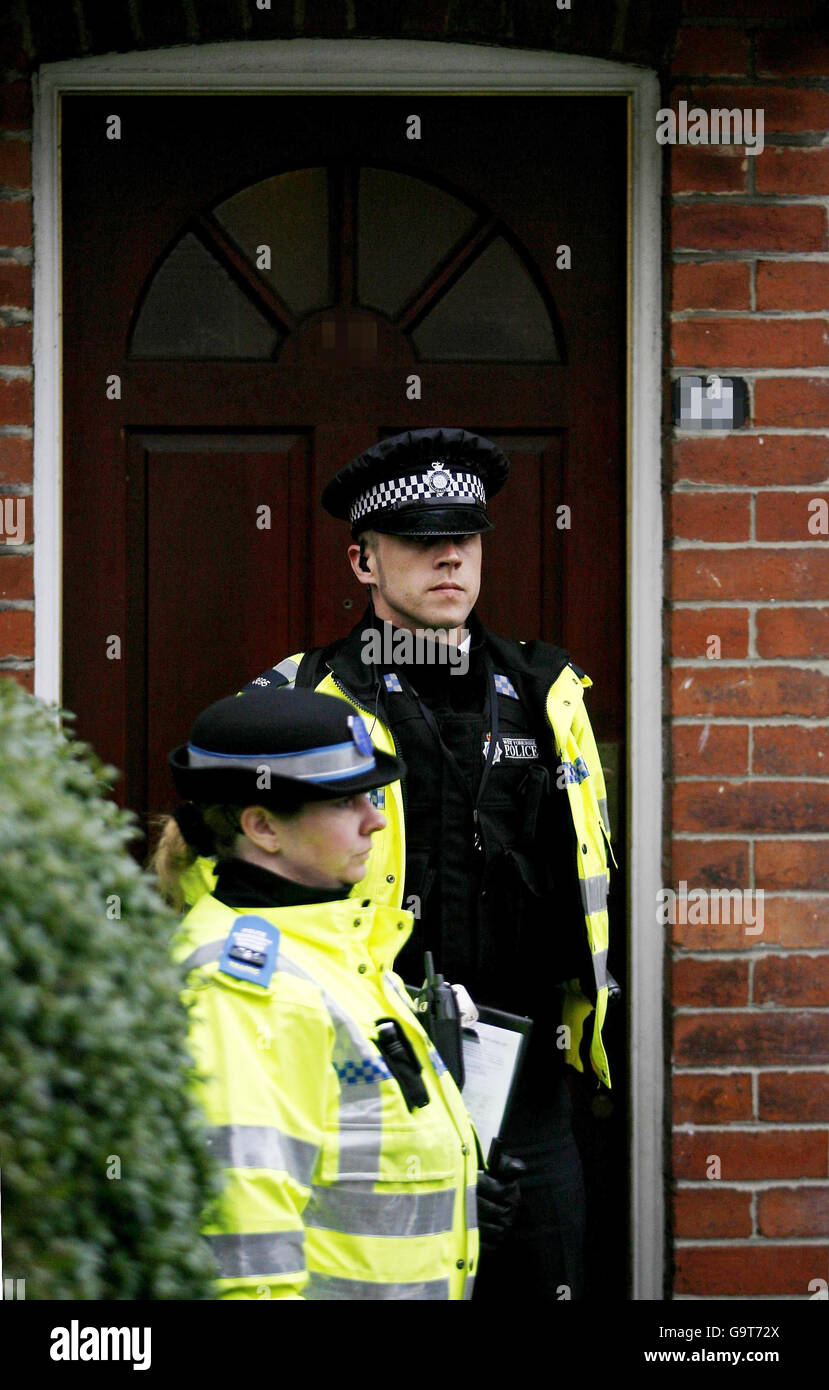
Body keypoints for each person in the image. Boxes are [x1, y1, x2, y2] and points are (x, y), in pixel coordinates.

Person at [202, 427, 615, 1299]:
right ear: (362, 561)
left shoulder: (546, 691)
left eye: (462, 541)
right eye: (420, 543)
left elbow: (583, 874)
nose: (448, 561)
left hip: (526, 1073)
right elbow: (229, 879)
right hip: (372, 1064)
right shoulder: (299, 699)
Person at [153, 685, 520, 1300]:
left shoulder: (338, 948)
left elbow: (349, 1165)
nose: (376, 819)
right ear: (263, 825)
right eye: (347, 801)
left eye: (371, 795)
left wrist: (461, 1196)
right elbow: (242, 1257)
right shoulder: (248, 991)